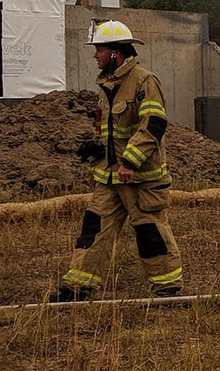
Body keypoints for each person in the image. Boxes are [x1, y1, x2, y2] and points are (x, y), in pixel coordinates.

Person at [49, 19, 183, 302]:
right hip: (109, 177)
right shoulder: (107, 86)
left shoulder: (144, 81)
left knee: (149, 230)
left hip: (140, 179)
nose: (95, 55)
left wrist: (130, 162)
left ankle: (167, 288)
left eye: (99, 49)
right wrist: (97, 148)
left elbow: (153, 125)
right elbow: (110, 130)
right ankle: (78, 287)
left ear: (115, 52)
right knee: (93, 228)